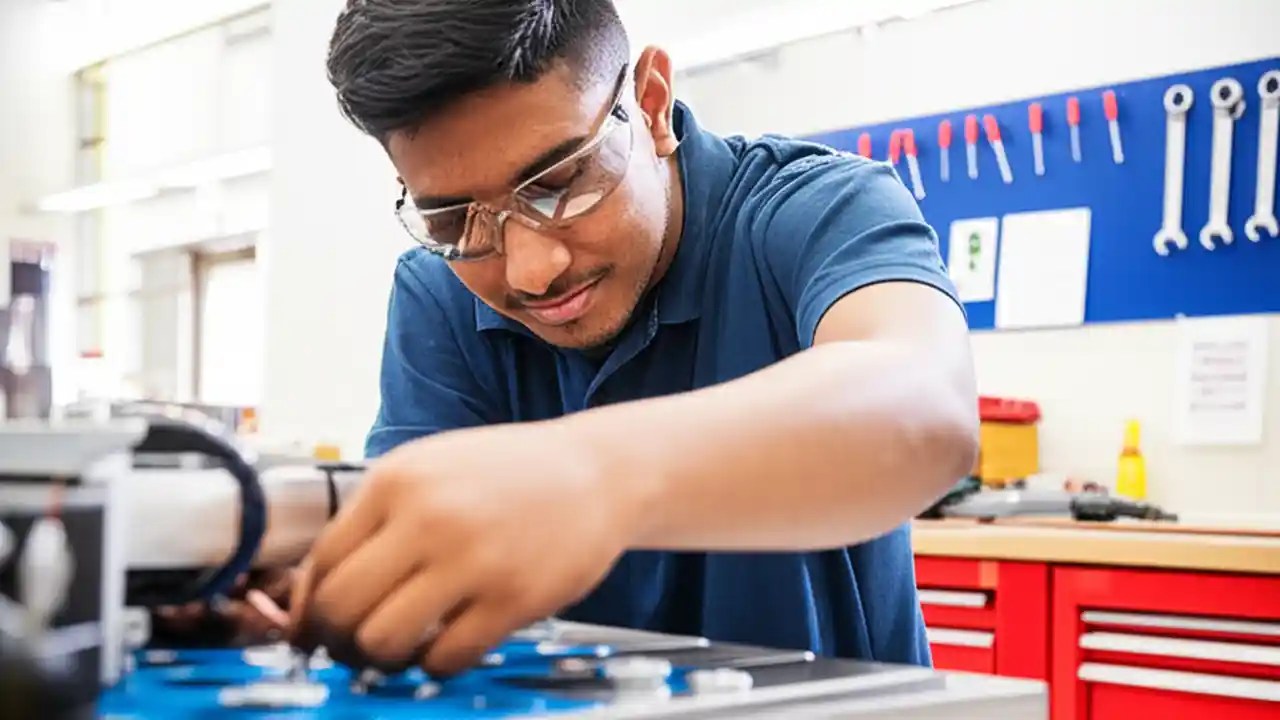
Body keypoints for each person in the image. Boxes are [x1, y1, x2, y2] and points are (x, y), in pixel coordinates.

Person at [284, 0, 978, 677]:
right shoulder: (439, 293)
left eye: (559, 183)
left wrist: (588, 477)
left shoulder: (816, 209)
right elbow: (412, 559)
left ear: (649, 103)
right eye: (453, 222)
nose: (532, 271)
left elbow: (927, 409)